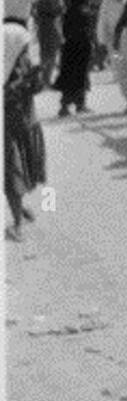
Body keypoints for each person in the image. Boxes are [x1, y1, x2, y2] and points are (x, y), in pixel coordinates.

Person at [4, 21, 46, 242]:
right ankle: (17, 224)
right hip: (8, 129)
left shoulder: (22, 59)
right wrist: (20, 84)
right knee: (13, 174)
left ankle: (18, 208)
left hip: (26, 123)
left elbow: (36, 87)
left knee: (24, 170)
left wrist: (37, 78)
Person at [53, 0, 96, 117]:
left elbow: (65, 29)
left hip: (69, 46)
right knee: (81, 75)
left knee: (68, 74)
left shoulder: (69, 9)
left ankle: (64, 106)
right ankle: (80, 104)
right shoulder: (85, 10)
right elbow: (89, 32)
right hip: (82, 46)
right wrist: (93, 44)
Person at [96, 0, 127, 114]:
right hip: (115, 42)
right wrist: (102, 41)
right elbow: (102, 22)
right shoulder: (107, 3)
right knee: (120, 71)